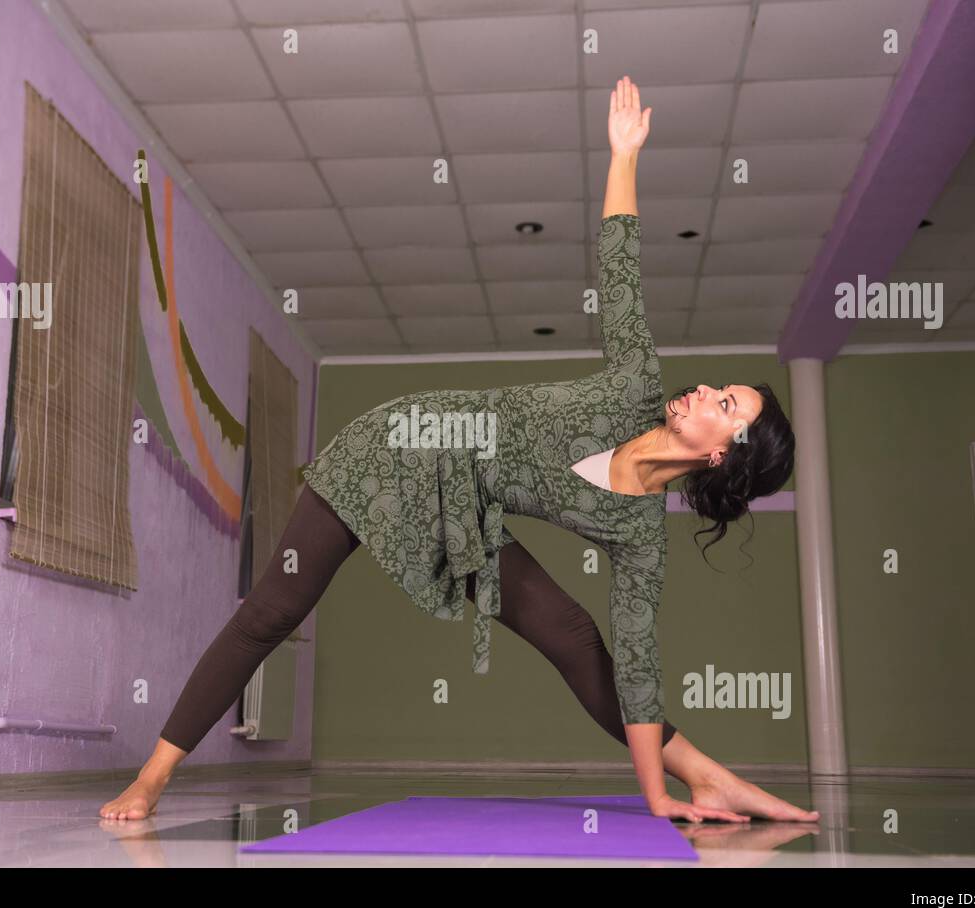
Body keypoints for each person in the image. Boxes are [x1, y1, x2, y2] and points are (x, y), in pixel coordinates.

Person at [101, 76, 817, 825]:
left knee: (575, 636)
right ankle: (152, 777)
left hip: (462, 517)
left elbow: (636, 667)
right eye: (719, 389)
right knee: (273, 608)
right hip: (395, 450)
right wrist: (624, 154)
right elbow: (620, 266)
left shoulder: (640, 534)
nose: (706, 391)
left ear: (721, 456)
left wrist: (655, 793)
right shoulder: (636, 383)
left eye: (724, 404)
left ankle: (706, 776)